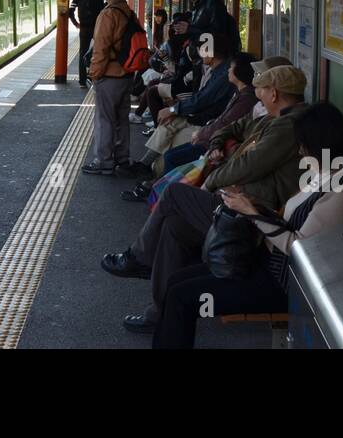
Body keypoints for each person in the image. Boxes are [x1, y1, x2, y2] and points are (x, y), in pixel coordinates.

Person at [101, 65, 311, 332]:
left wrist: (209, 183)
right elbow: (230, 128)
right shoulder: (272, 118)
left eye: (263, 88)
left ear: (275, 93)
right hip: (238, 204)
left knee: (175, 193)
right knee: (173, 227)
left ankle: (139, 256)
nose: (257, 93)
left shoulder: (286, 126)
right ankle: (159, 312)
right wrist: (216, 145)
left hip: (251, 217)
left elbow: (248, 165)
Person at [153, 102, 343, 349]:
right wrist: (253, 206)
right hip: (265, 266)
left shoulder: (340, 191)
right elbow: (289, 224)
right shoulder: (321, 176)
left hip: (284, 287)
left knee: (182, 298)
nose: (301, 151)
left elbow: (298, 248)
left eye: (303, 144)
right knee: (176, 282)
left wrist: (252, 213)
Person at [122, 53, 258, 203]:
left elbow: (223, 121)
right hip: (212, 134)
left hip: (215, 142)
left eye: (231, 68)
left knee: (172, 156)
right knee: (169, 135)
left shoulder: (245, 97)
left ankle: (161, 193)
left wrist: (203, 132)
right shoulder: (239, 91)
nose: (228, 71)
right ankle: (153, 181)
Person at [131, 35, 237, 179]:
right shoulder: (217, 70)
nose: (199, 53)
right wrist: (174, 111)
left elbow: (202, 99)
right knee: (168, 123)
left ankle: (155, 180)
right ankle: (144, 165)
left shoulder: (222, 75)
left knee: (169, 147)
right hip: (200, 117)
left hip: (206, 123)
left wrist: (174, 109)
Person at [81, 0, 139, 176]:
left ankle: (103, 161)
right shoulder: (129, 13)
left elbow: (101, 48)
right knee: (122, 119)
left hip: (110, 76)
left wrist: (94, 74)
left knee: (104, 119)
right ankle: (122, 158)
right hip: (127, 75)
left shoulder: (108, 14)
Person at [68, 0, 105, 88]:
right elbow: (103, 10)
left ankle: (82, 81)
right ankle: (97, 77)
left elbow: (70, 11)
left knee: (82, 52)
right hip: (96, 27)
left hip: (83, 28)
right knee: (100, 51)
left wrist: (76, 24)